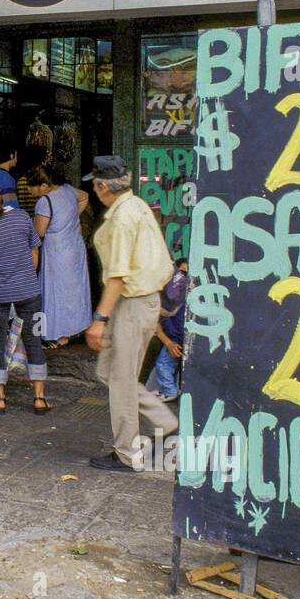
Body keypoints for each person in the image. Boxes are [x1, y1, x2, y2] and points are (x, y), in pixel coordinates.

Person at [82, 156, 178, 472]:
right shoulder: (136, 206)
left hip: (132, 304)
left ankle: (127, 453)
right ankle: (163, 419)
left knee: (120, 379)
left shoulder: (123, 219)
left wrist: (99, 320)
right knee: (111, 372)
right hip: (143, 302)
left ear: (101, 187)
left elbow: (118, 276)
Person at [0, 178, 49, 414]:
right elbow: (34, 253)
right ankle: (39, 398)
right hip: (29, 290)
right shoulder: (22, 216)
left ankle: (0, 399)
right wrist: (24, 274)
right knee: (34, 338)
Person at [29, 164, 92, 349]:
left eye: (31, 187)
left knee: (54, 293)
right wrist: (72, 218)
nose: (29, 191)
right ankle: (74, 330)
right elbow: (85, 197)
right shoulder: (68, 190)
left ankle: (54, 335)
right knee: (74, 291)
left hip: (56, 251)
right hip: (74, 246)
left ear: (43, 185)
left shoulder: (44, 201)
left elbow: (39, 231)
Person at [151, 259, 190, 401]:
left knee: (165, 364)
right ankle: (168, 390)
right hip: (174, 338)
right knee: (165, 364)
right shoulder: (166, 296)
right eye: (182, 273)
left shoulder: (186, 298)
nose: (184, 278)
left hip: (179, 338)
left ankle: (170, 391)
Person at [0, 142, 20, 209]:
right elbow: (11, 206)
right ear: (11, 156)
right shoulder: (6, 178)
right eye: (16, 156)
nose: (16, 160)